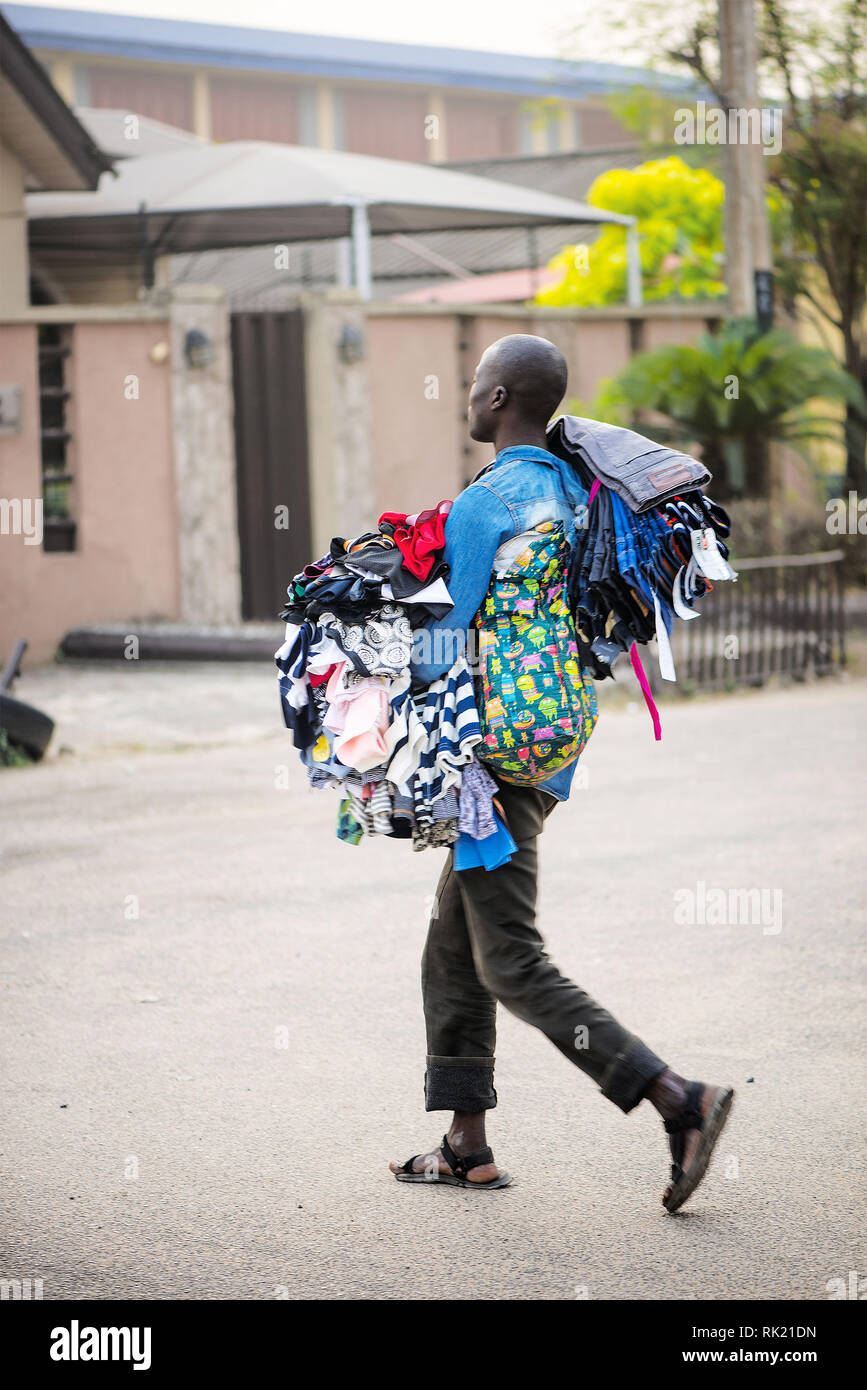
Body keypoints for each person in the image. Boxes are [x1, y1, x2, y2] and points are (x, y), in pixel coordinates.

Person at [389, 334, 733, 1212]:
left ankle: (676, 1099)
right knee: (451, 941)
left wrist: (381, 699)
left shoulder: (484, 501)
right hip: (557, 728)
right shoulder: (584, 493)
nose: (466, 399)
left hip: (496, 744)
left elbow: (444, 636)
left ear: (500, 398)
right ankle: (465, 1143)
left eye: (473, 387)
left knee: (508, 959)